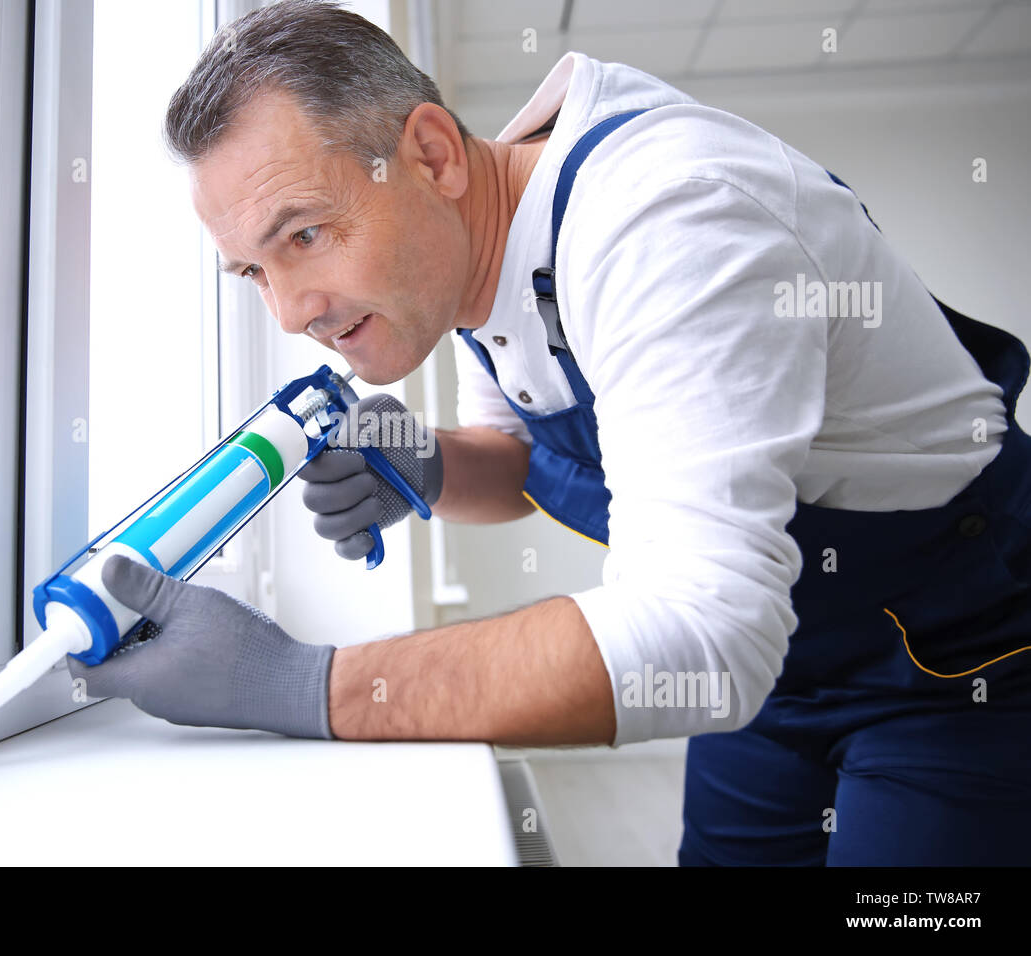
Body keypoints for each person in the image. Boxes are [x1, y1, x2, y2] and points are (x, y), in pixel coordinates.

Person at [69, 0, 1031, 865]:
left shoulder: (671, 223)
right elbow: (529, 462)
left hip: (959, 664)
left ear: (435, 154)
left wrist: (296, 685)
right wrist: (435, 467)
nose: (289, 312)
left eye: (305, 235)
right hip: (788, 661)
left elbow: (703, 637)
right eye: (253, 272)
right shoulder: (475, 253)